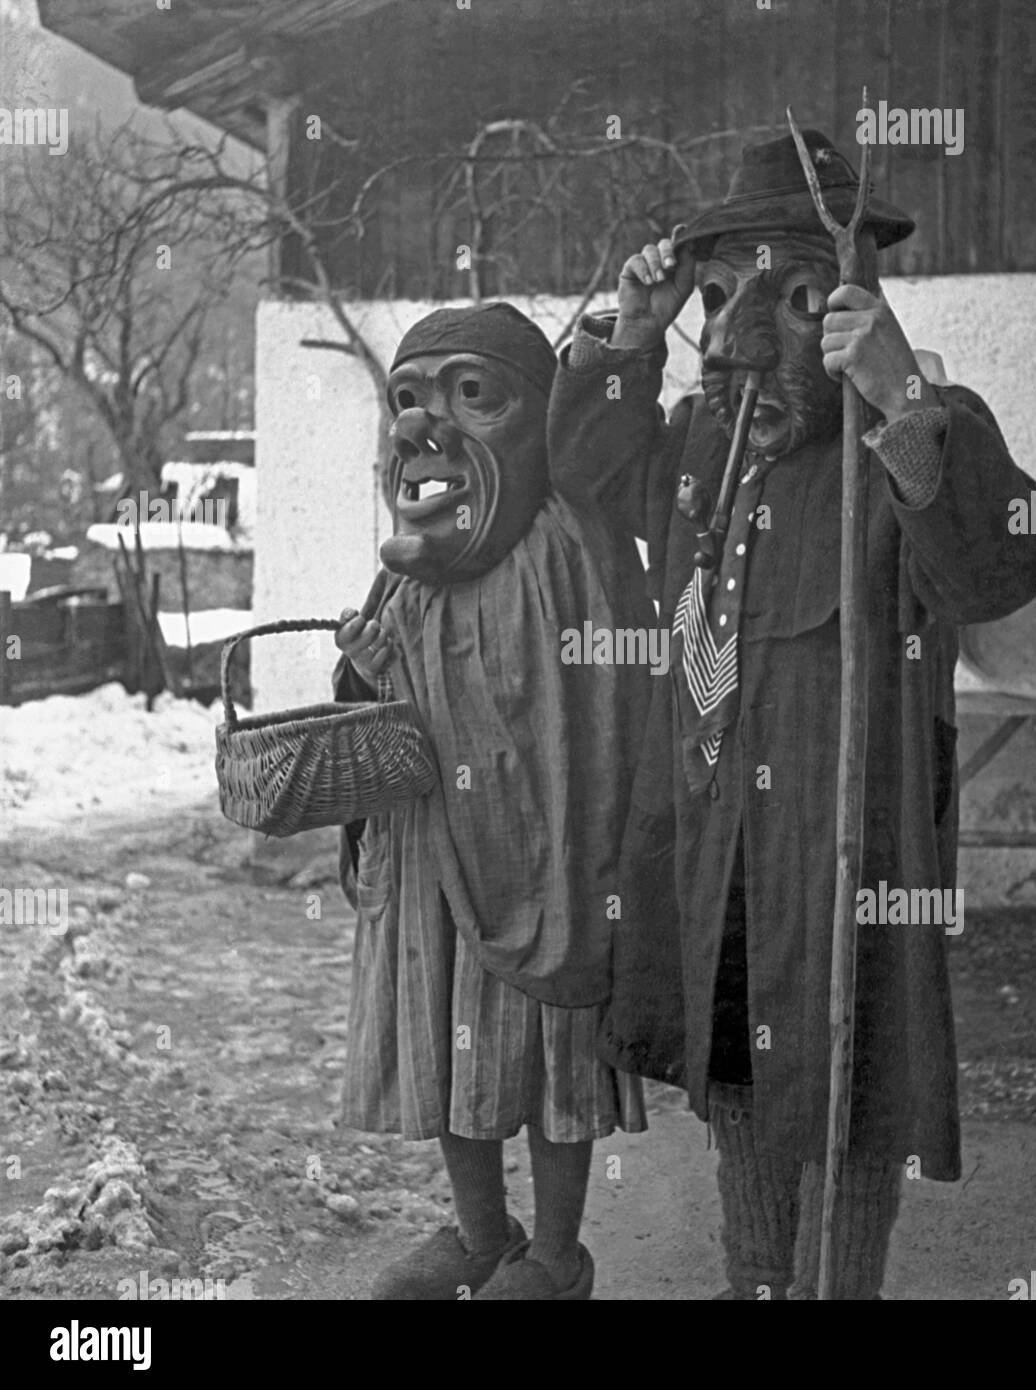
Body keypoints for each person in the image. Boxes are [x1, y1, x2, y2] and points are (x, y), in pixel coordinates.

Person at [547, 129, 1036, 1299]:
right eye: (719, 297)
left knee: (843, 1084)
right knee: (733, 1068)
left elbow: (1002, 569)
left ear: (852, 292)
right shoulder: (702, 446)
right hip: (713, 831)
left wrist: (901, 395)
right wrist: (633, 336)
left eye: (784, 293)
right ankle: (756, 1285)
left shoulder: (915, 431)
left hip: (846, 858)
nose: (735, 336)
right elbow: (586, 471)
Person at [333, 302, 652, 1300]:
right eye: (408, 401)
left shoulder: (563, 545)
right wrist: (363, 668)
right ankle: (480, 1231)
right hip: (431, 855)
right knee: (439, 1036)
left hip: (544, 852)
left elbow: (602, 711)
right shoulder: (409, 567)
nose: (423, 429)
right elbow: (384, 709)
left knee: (553, 1047)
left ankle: (556, 1253)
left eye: (472, 396)